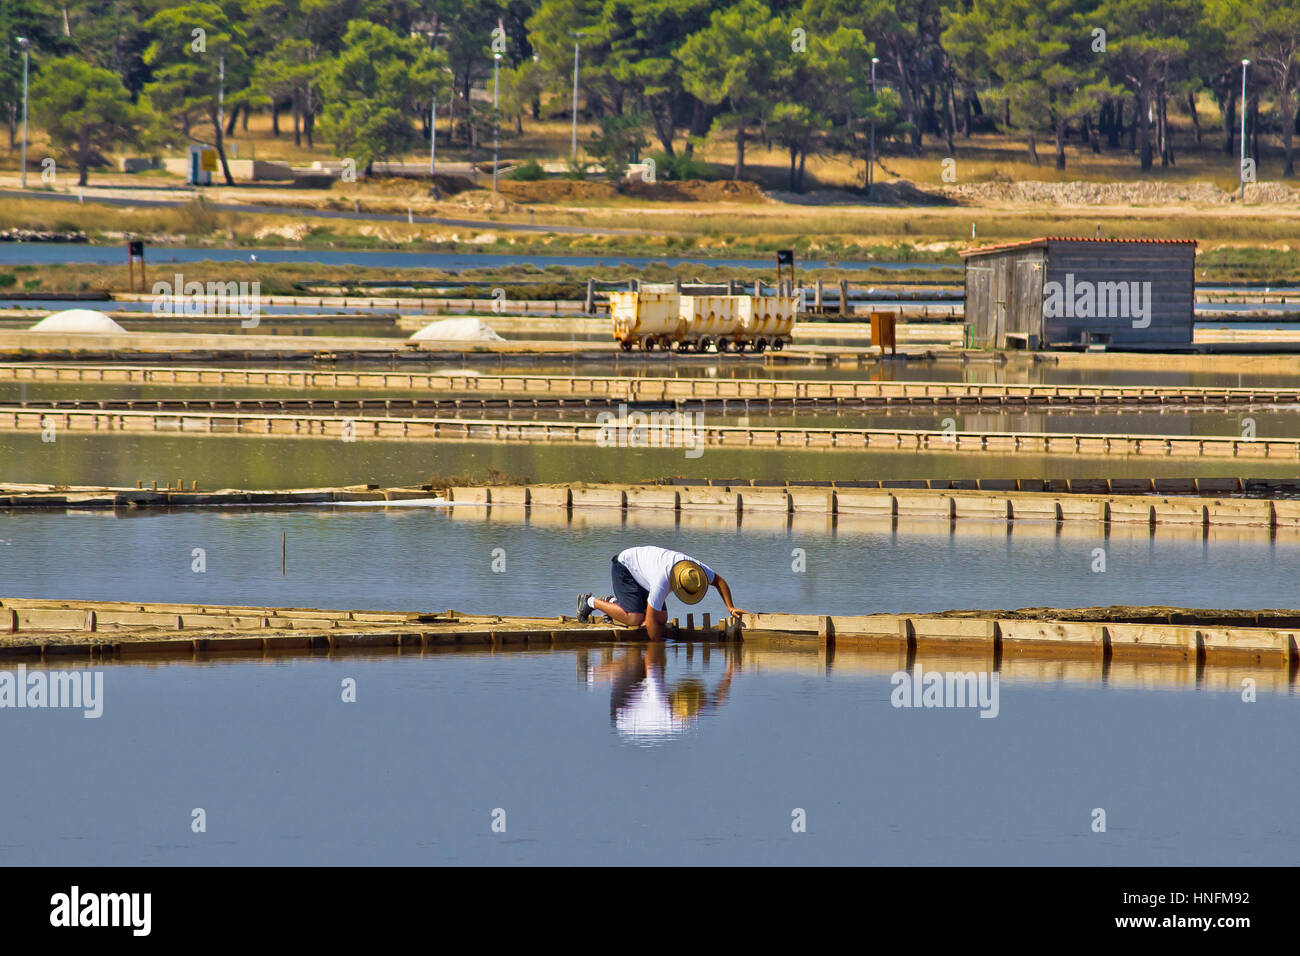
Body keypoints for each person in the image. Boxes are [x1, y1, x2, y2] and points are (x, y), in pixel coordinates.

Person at [577, 545, 747, 641]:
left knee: (662, 618)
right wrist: (658, 648)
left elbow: (720, 582)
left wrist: (730, 607)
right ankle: (590, 601)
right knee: (635, 619)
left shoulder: (695, 571)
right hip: (626, 567)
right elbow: (649, 622)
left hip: (644, 573)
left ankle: (613, 603)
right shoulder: (662, 581)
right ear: (677, 585)